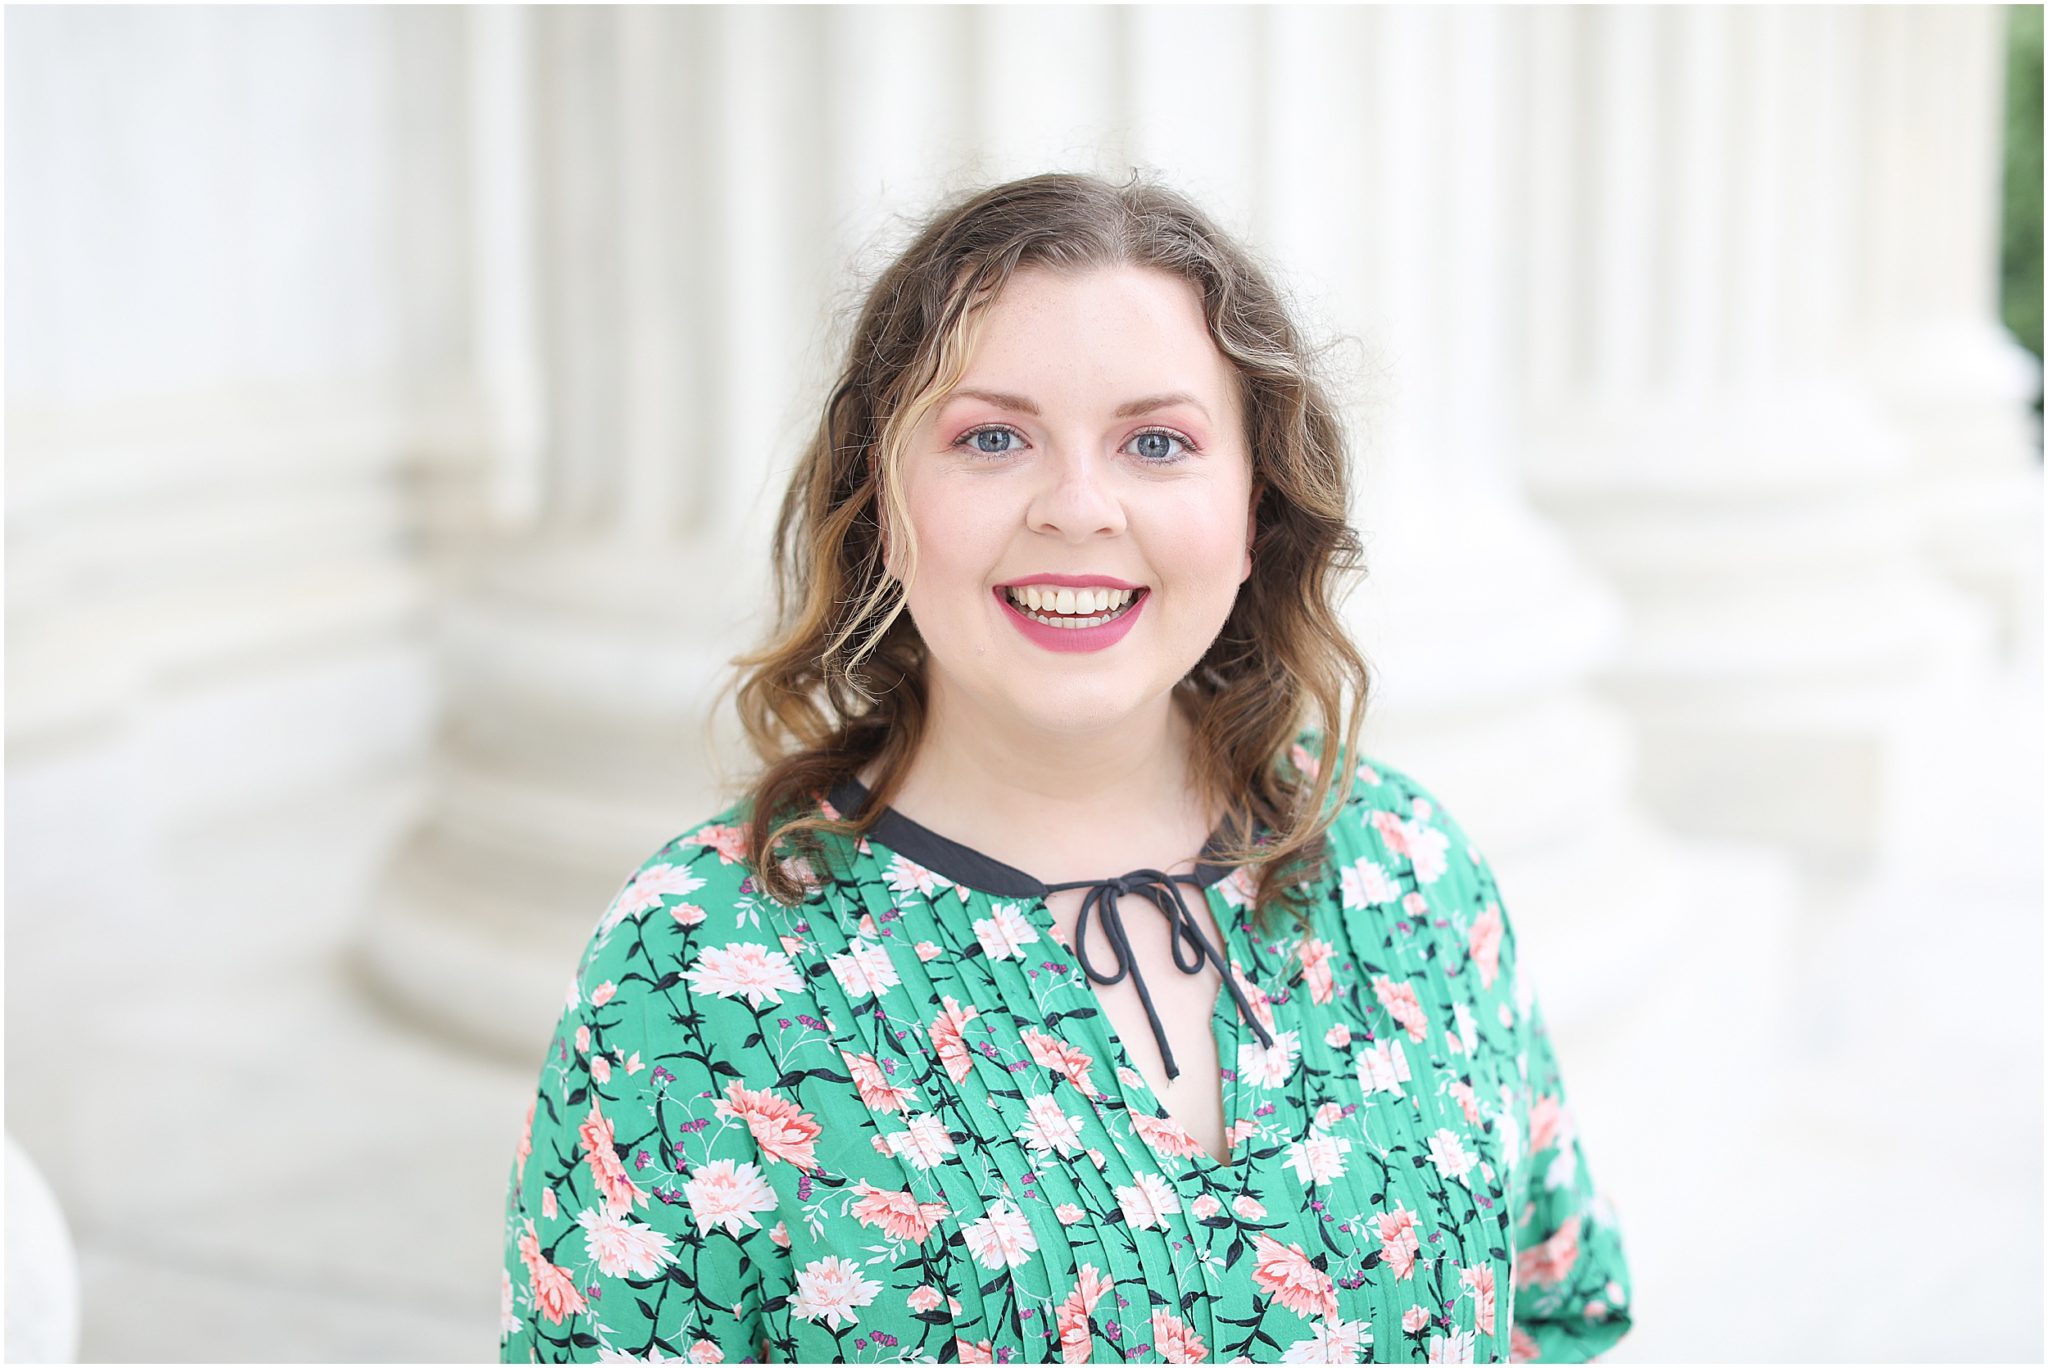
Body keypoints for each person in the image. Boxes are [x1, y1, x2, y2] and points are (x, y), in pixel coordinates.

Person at [500, 171, 1632, 1364]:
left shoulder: (1403, 868)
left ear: (1252, 507)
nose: (1078, 508)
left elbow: (1550, 1310)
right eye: (992, 438)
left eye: (1156, 442)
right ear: (883, 501)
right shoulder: (693, 966)